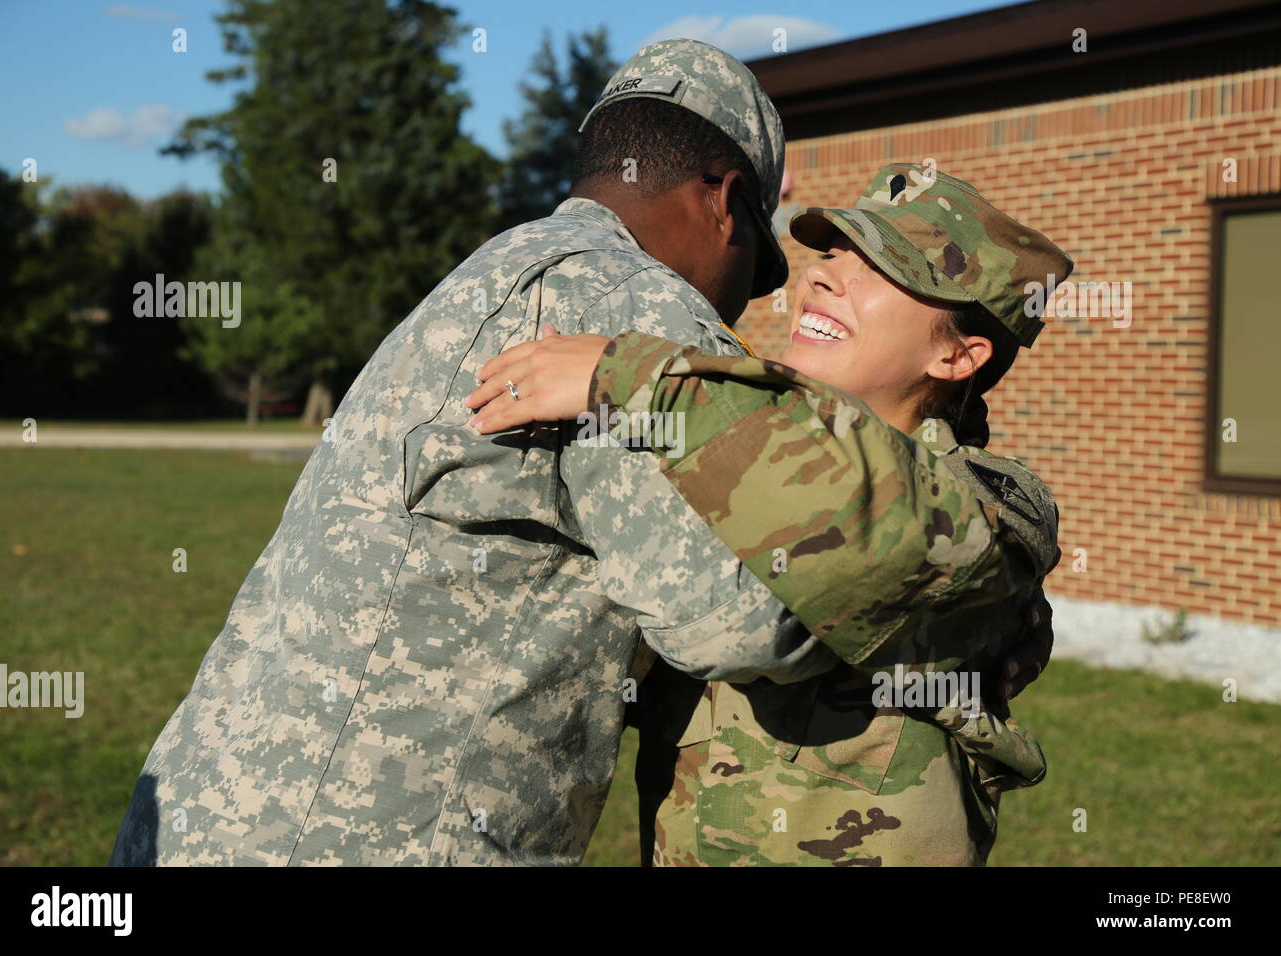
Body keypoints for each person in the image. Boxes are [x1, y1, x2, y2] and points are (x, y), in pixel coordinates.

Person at [108, 41, 1045, 867]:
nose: (739, 311)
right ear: (724, 201)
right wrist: (959, 619)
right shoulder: (639, 310)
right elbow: (747, 616)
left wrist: (983, 605)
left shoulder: (499, 270)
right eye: (765, 260)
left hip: (209, 809)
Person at [468, 163, 1071, 865]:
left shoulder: (998, 502)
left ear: (958, 354)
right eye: (832, 253)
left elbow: (881, 517)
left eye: (881, 267)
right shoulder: (724, 456)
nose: (819, 276)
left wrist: (634, 376)